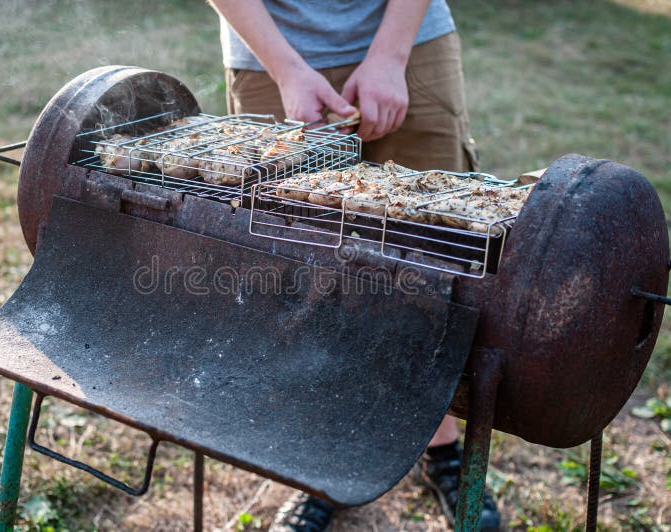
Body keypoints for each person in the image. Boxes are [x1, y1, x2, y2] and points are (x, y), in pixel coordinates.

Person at [208, 1, 498, 530]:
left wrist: (389, 57)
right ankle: (317, 463)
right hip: (266, 52)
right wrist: (287, 69)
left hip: (410, 41)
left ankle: (442, 448)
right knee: (297, 269)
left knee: (436, 260)